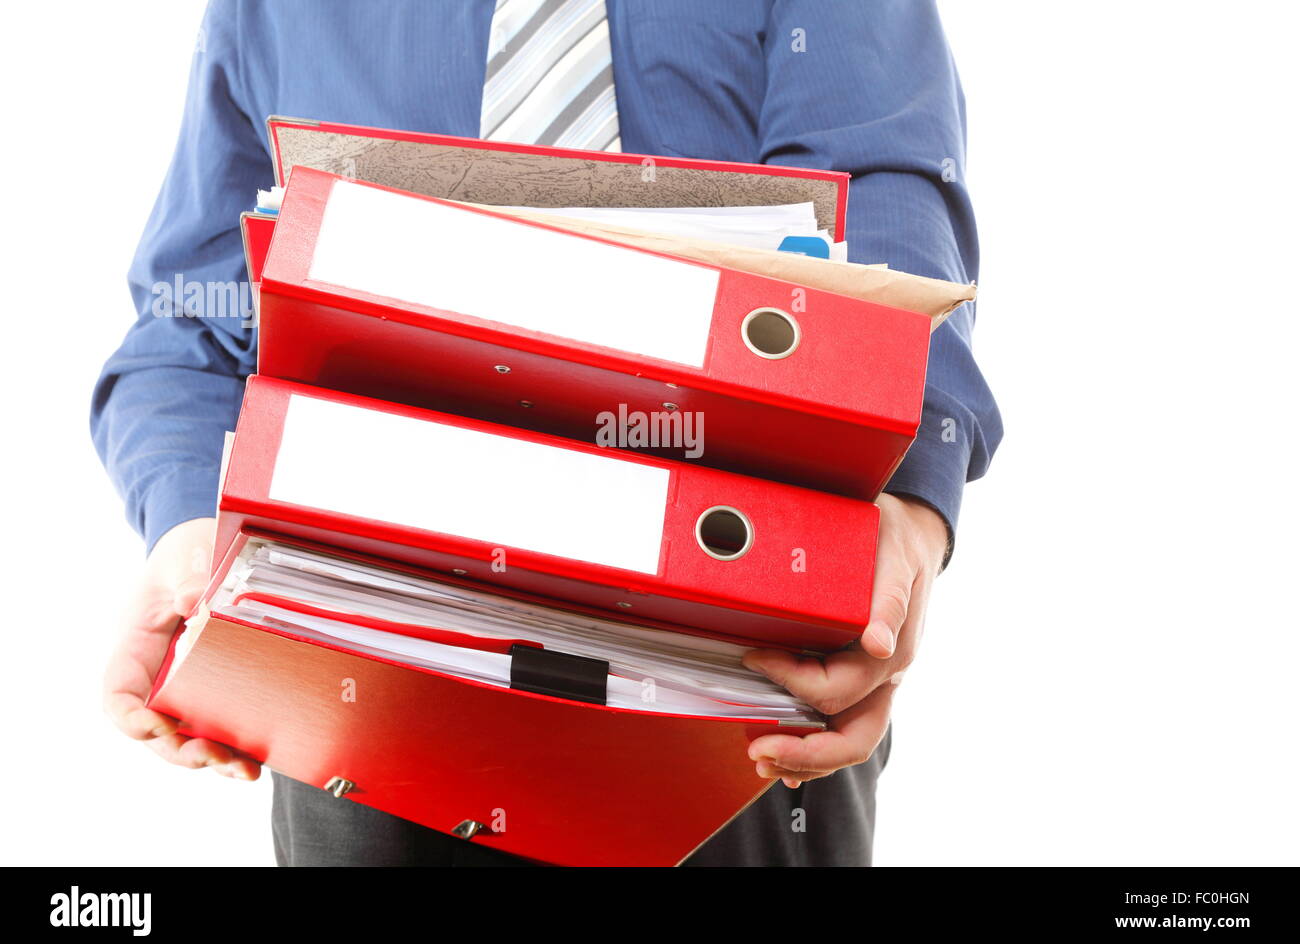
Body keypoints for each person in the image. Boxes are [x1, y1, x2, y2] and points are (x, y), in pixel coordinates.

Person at [93, 0, 1001, 866]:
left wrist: (908, 511)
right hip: (366, 695)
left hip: (741, 700)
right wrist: (185, 535)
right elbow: (189, 325)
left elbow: (887, 214)